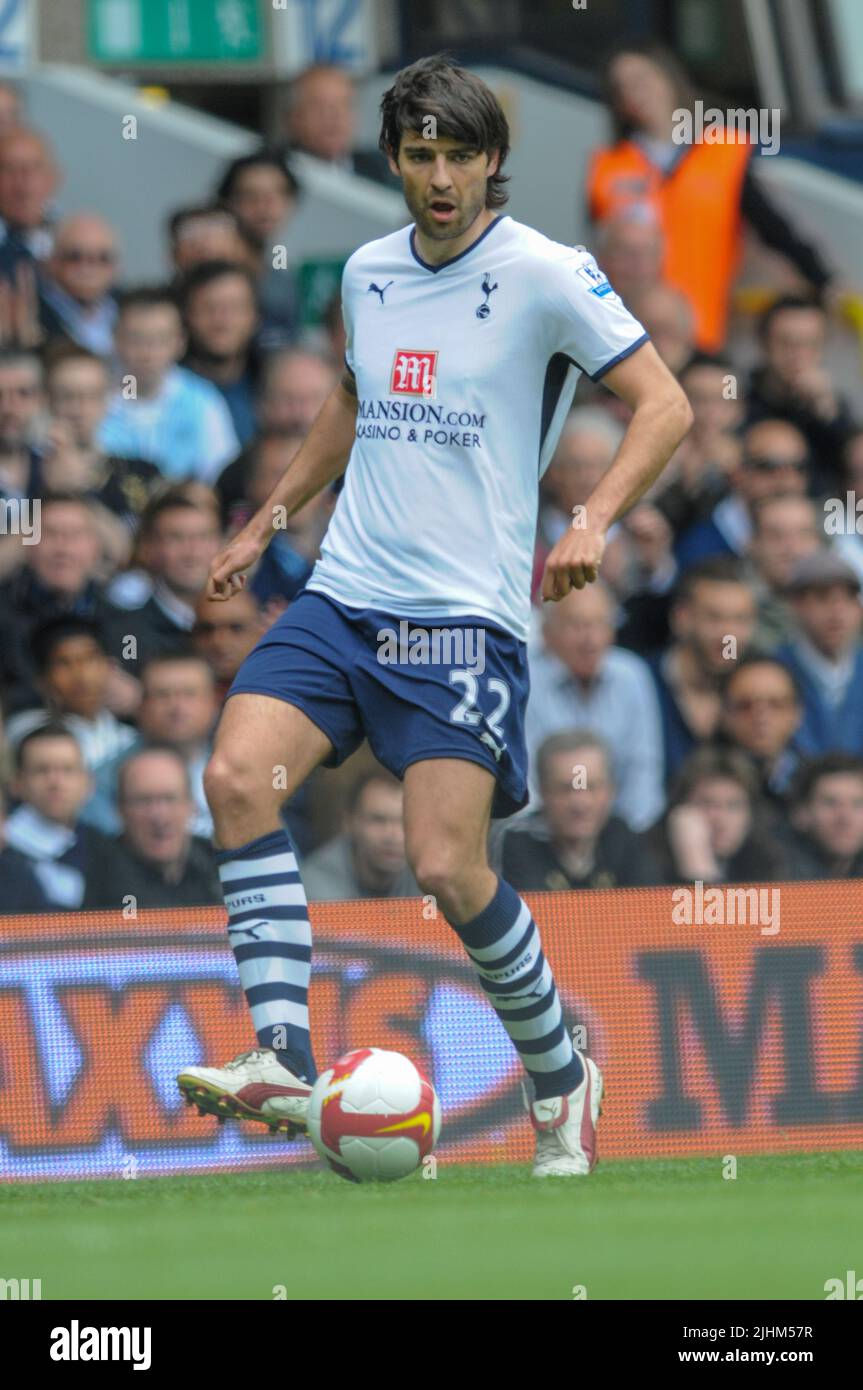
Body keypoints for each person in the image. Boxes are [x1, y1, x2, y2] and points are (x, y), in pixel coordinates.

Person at [177, 55, 692, 1180]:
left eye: (461, 154)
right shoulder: (365, 269)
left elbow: (665, 403)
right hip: (344, 593)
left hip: (461, 619)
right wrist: (267, 520)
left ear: (492, 161)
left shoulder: (549, 272)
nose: (442, 176)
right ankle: (277, 1053)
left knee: (445, 868)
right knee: (232, 779)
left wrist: (594, 518)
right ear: (395, 160)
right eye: (421, 154)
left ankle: (560, 1076)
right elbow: (353, 403)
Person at [588, 43, 837, 351]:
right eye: (621, 88)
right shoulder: (608, 165)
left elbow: (774, 228)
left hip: (699, 333)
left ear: (668, 80)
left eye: (642, 79)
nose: (633, 93)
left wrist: (824, 280)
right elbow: (593, 255)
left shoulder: (724, 154)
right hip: (623, 336)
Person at [525, 581, 665, 829]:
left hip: (619, 835)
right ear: (546, 633)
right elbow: (527, 781)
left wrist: (627, 838)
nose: (590, 639)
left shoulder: (631, 675)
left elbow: (643, 771)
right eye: (577, 626)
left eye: (600, 625)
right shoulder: (526, 680)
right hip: (541, 833)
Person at [99, 286, 239, 483]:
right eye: (136, 339)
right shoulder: (94, 398)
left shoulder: (203, 401)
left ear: (180, 342)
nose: (147, 352)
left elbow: (220, 477)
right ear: (115, 339)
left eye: (159, 340)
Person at [494, 731, 659, 890]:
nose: (580, 803)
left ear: (611, 790)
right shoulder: (515, 840)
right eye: (565, 789)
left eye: (591, 787)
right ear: (543, 792)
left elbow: (651, 910)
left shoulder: (623, 837)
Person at [649, 557, 756, 778]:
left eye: (740, 620)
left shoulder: (756, 690)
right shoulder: (643, 682)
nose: (729, 634)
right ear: (681, 618)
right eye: (714, 618)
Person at [83, 746, 221, 910]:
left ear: (192, 806)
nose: (158, 816)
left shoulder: (218, 863)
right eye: (143, 801)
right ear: (120, 810)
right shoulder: (97, 870)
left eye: (170, 799)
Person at [745, 296, 858, 495]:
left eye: (809, 343)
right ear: (763, 342)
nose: (797, 353)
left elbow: (852, 464)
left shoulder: (833, 405)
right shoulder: (737, 393)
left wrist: (829, 413)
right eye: (786, 342)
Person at [4, 722, 113, 910]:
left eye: (67, 770)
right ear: (17, 783)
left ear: (88, 784)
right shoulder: (4, 846)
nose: (55, 782)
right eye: (42, 770)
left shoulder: (105, 848)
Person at [648, 745, 786, 884]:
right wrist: (695, 858)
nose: (720, 819)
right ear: (681, 808)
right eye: (706, 803)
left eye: (733, 806)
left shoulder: (765, 859)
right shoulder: (646, 857)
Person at [776, 553, 863, 756]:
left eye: (848, 598)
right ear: (796, 606)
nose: (837, 612)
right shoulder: (773, 670)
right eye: (823, 598)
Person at [300, 769, 420, 900]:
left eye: (404, 822)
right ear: (348, 822)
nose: (393, 836)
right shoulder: (315, 882)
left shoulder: (428, 872)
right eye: (378, 820)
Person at [36, 214, 120, 355]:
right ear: (52, 262)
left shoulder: (127, 309)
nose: (88, 268)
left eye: (102, 258)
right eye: (75, 257)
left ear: (116, 266)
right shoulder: (32, 314)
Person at [782, 753, 863, 878]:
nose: (845, 818)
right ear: (801, 813)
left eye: (858, 804)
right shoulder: (774, 876)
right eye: (830, 803)